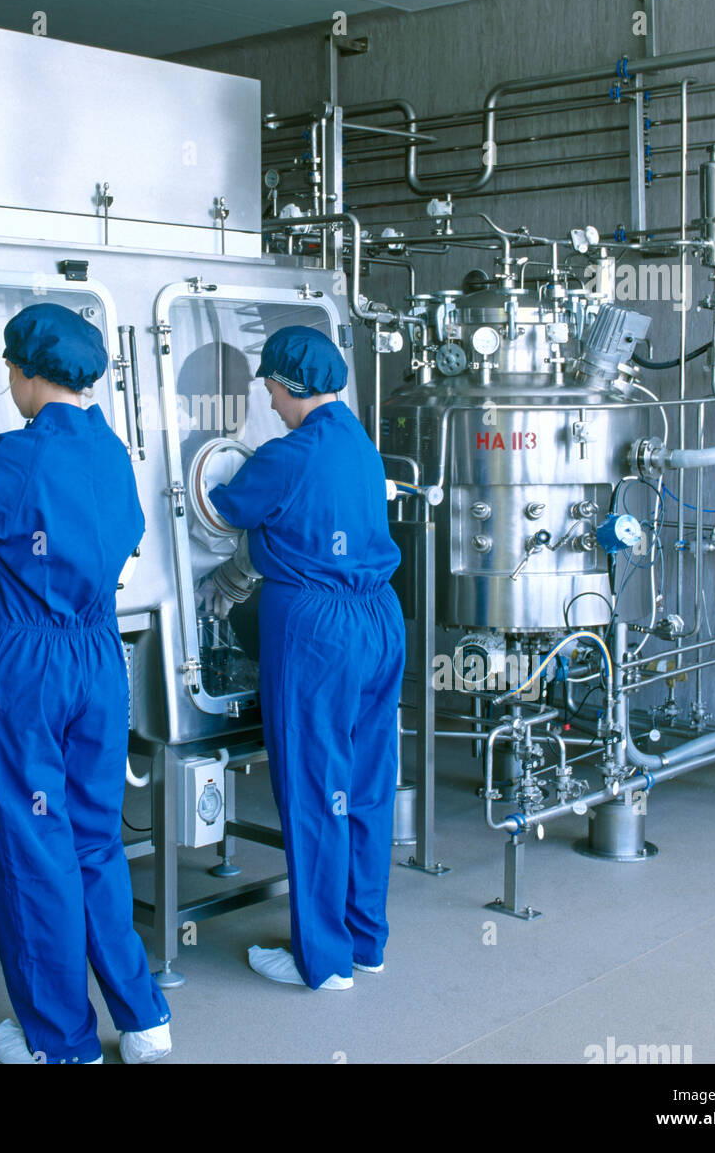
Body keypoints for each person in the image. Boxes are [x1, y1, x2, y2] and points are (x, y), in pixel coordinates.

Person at [0, 302, 171, 1063]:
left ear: (26, 372)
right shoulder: (112, 453)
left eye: (8, 369)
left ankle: (60, 1041)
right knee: (95, 841)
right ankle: (143, 1019)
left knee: (31, 846)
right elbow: (127, 535)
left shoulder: (14, 454)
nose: (8, 382)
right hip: (100, 657)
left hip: (28, 670)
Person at [204, 324, 405, 991]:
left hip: (321, 633)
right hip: (380, 617)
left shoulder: (289, 453)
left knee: (317, 789)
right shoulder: (359, 442)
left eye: (268, 386)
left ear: (291, 386)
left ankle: (322, 962)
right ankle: (364, 940)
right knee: (367, 784)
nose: (266, 399)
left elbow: (225, 505)